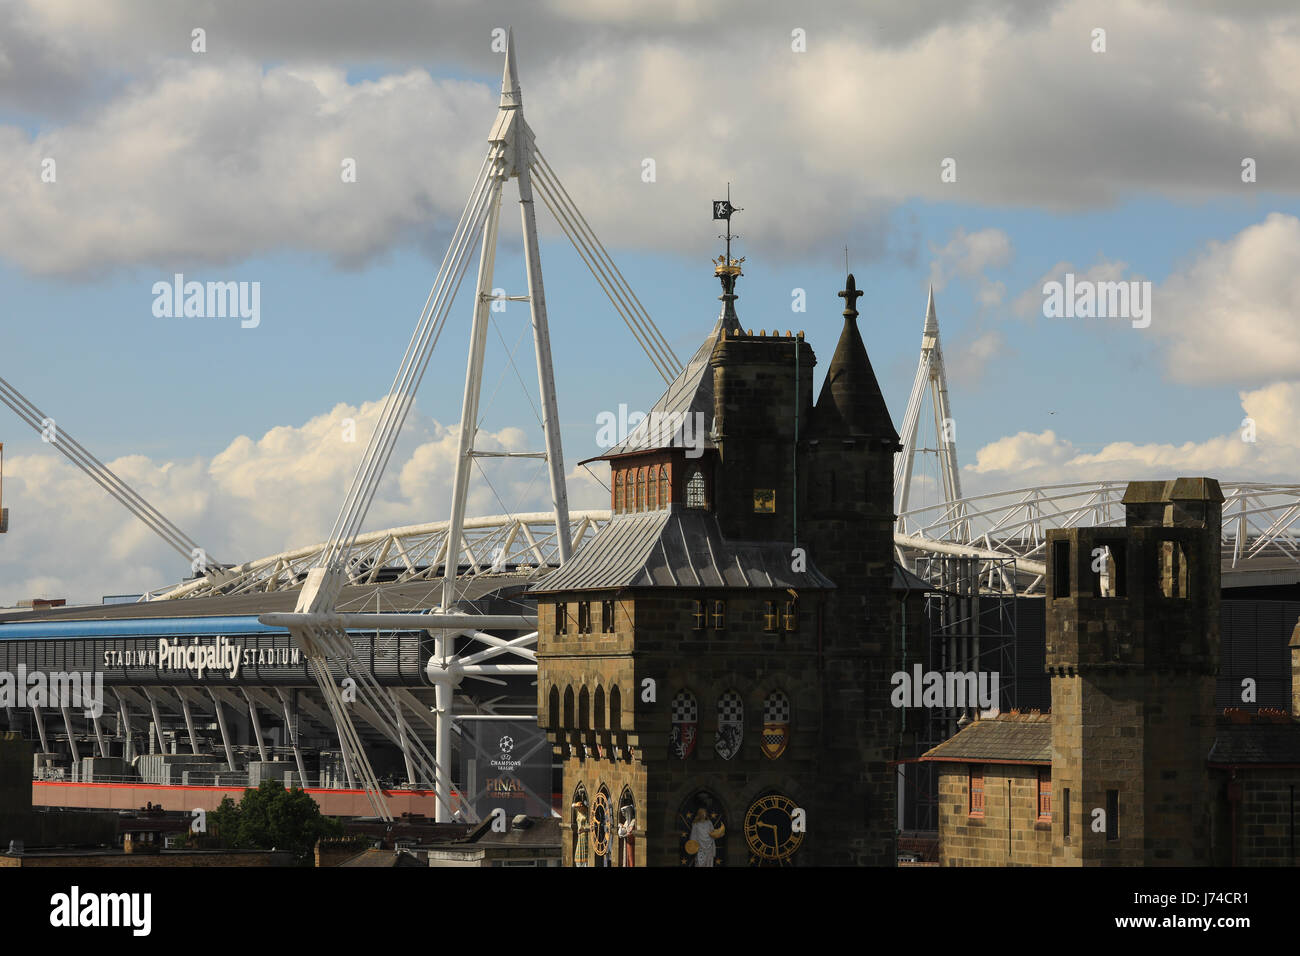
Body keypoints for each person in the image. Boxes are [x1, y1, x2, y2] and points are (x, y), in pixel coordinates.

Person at [572, 798, 591, 867]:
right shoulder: (578, 812)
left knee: (585, 853)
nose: (577, 809)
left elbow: (591, 825)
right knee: (578, 854)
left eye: (578, 807)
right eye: (576, 808)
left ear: (582, 807)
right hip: (580, 836)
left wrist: (584, 829)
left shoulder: (587, 813)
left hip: (585, 835)